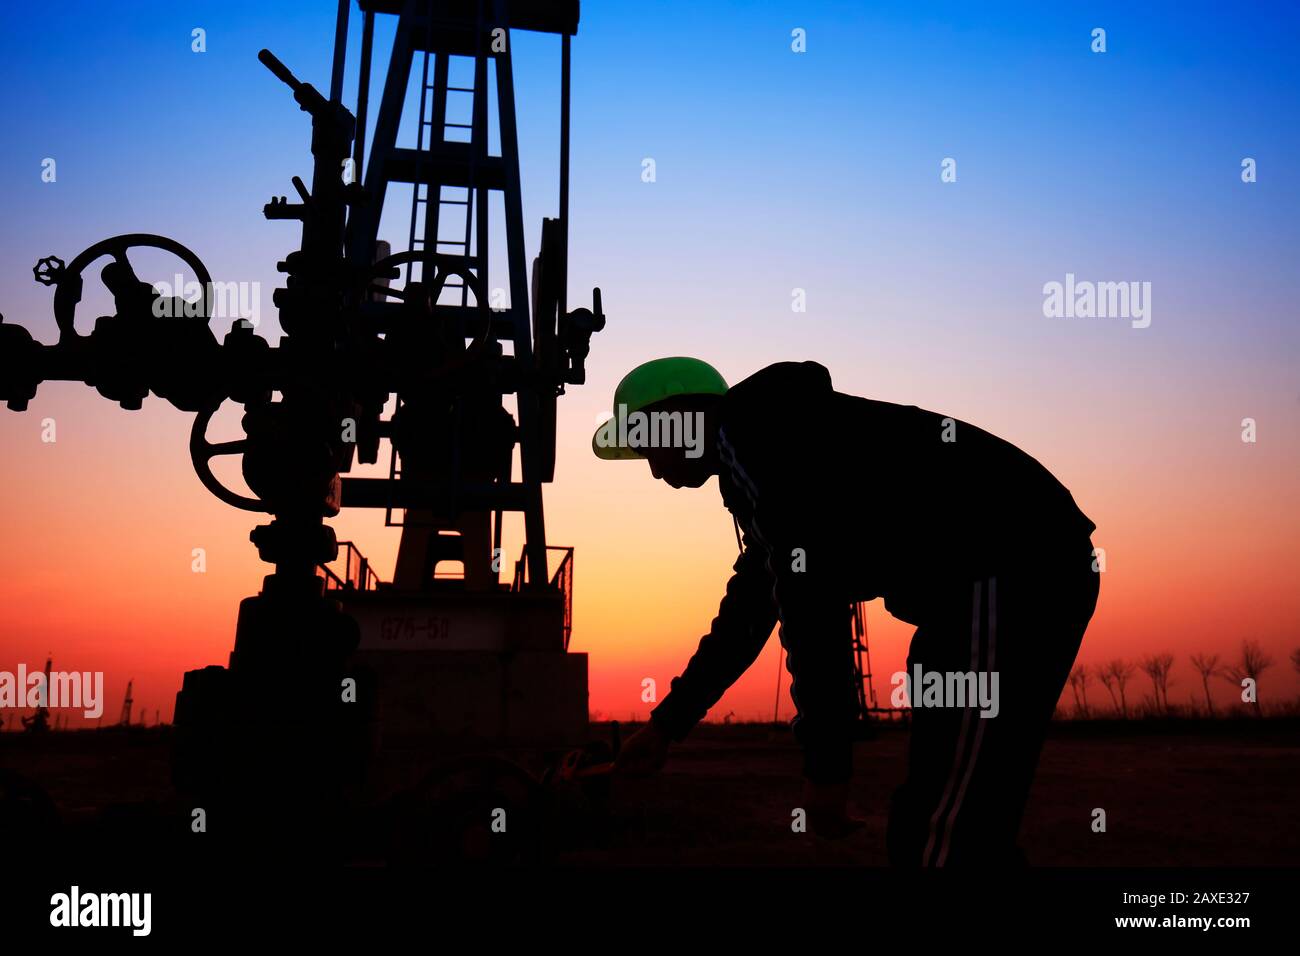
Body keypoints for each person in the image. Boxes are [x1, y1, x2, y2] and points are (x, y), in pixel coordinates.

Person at [597, 357, 1099, 864]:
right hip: (981, 590)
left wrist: (827, 767)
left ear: (679, 415)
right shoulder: (766, 460)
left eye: (649, 447)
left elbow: (810, 600)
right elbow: (752, 608)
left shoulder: (753, 436)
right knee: (944, 812)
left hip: (1014, 564)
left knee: (946, 833)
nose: (655, 471)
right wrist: (667, 725)